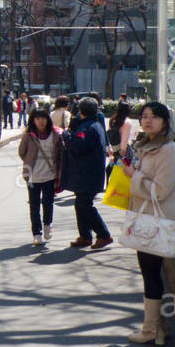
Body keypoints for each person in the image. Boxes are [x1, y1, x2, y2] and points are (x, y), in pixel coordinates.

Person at [121, 101, 175, 345]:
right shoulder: (148, 147)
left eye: (154, 117)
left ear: (165, 122)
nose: (148, 121)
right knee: (150, 273)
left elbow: (160, 190)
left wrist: (134, 176)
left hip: (156, 221)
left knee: (151, 274)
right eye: (144, 116)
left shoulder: (167, 150)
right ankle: (159, 328)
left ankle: (150, 330)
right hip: (149, 220)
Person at [63, 97, 114, 249]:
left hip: (86, 174)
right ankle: (85, 236)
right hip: (91, 173)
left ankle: (104, 234)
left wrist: (66, 136)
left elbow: (77, 146)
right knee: (81, 205)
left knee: (84, 205)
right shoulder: (95, 124)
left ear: (80, 111)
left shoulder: (86, 128)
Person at [18, 107, 63, 246]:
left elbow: (60, 153)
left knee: (48, 203)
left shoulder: (55, 135)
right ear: (33, 121)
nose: (41, 121)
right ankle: (36, 234)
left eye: (43, 118)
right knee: (34, 206)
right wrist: (30, 161)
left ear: (47, 119)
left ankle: (47, 225)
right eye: (37, 119)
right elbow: (22, 152)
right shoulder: (28, 136)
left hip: (50, 175)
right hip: (32, 176)